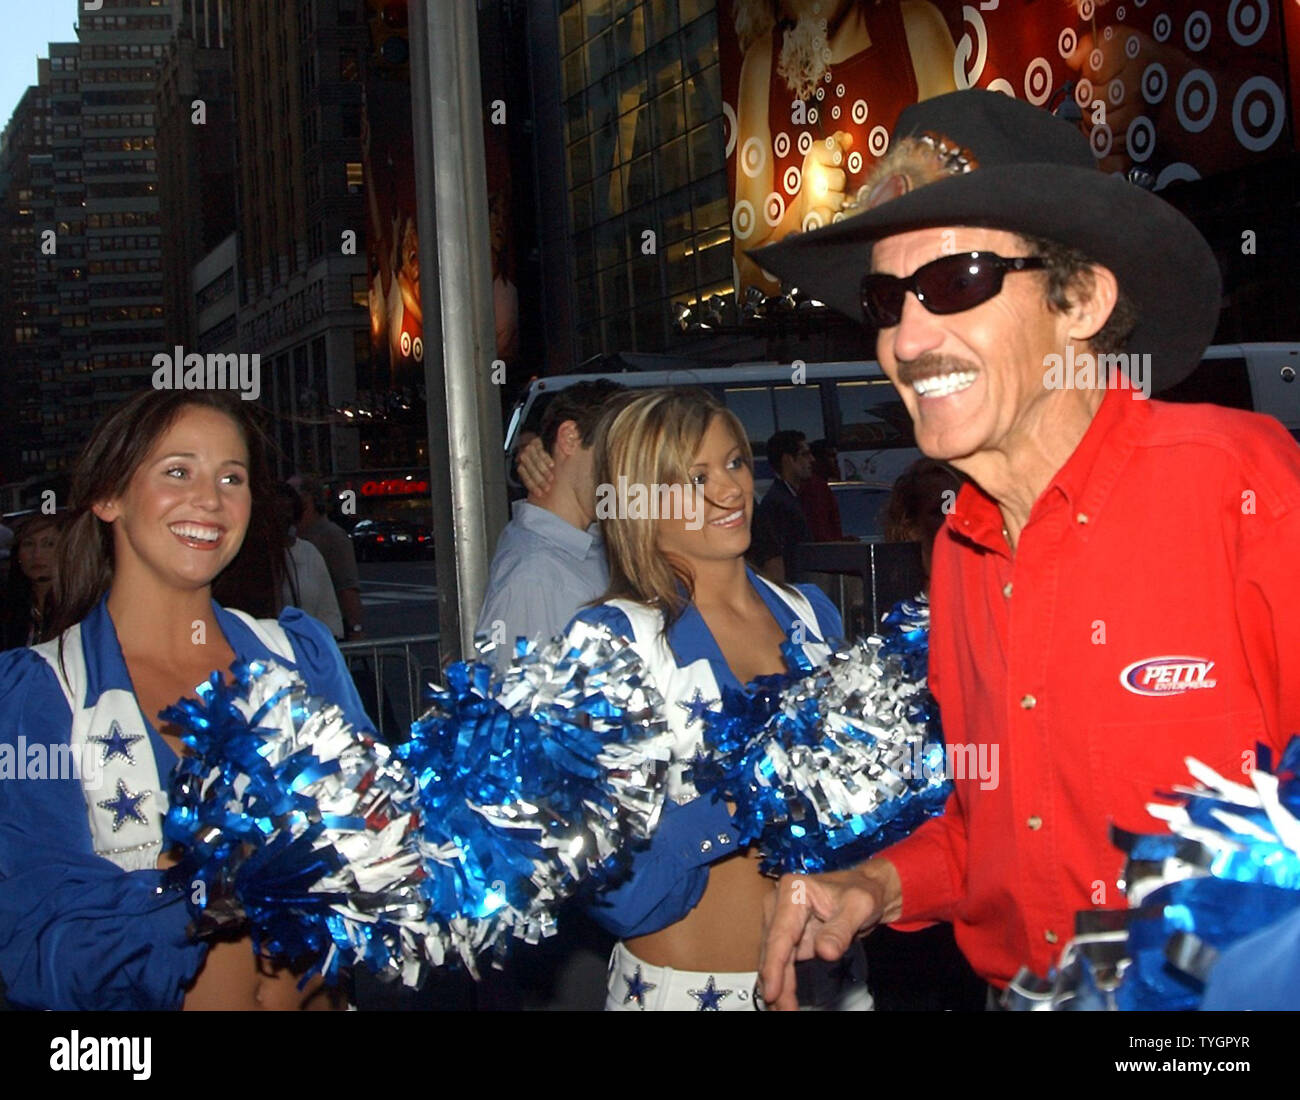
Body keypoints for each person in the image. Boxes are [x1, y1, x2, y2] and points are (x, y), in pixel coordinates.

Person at [751, 88, 1300, 1008]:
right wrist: (875, 886)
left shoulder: (1243, 490)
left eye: (957, 281)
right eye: (886, 300)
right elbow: (996, 827)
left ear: (1080, 301)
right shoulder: (962, 551)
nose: (907, 340)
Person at [0, 390, 375, 1010]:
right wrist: (215, 889)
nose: (211, 499)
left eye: (233, 478)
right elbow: (41, 928)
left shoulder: (299, 655)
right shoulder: (42, 691)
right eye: (178, 471)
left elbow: (381, 850)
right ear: (108, 497)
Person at [569, 388, 870, 1011]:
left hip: (829, 984)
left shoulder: (810, 615)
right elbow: (615, 890)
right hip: (687, 992)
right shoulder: (614, 641)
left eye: (734, 463)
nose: (730, 491)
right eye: (696, 478)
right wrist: (742, 795)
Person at [729, 0, 956, 294]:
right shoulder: (763, 65)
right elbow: (747, 283)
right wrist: (800, 214)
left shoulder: (914, 28)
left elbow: (961, 205)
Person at [476, 380, 625, 669]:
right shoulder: (534, 578)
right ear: (569, 438)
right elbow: (516, 692)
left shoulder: (584, 544)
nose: (633, 468)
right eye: (622, 448)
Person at [294, 477, 365, 641]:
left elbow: (347, 587)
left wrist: (355, 628)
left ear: (308, 498)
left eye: (292, 494)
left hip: (326, 631)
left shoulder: (331, 536)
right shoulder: (295, 535)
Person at [882, 457, 963, 587]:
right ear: (910, 528)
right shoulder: (894, 596)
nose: (956, 521)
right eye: (940, 512)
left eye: (965, 508)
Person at [748, 429, 814, 581]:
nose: (811, 459)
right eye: (804, 454)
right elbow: (779, 557)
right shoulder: (779, 504)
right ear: (788, 459)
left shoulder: (788, 497)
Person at [1, 513, 61, 650]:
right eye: (29, 544)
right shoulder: (9, 605)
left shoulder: (82, 607)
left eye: (48, 544)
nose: (37, 554)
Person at [798, 439, 847, 542]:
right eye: (831, 456)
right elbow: (820, 531)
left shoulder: (819, 485)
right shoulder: (815, 488)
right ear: (818, 460)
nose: (836, 461)